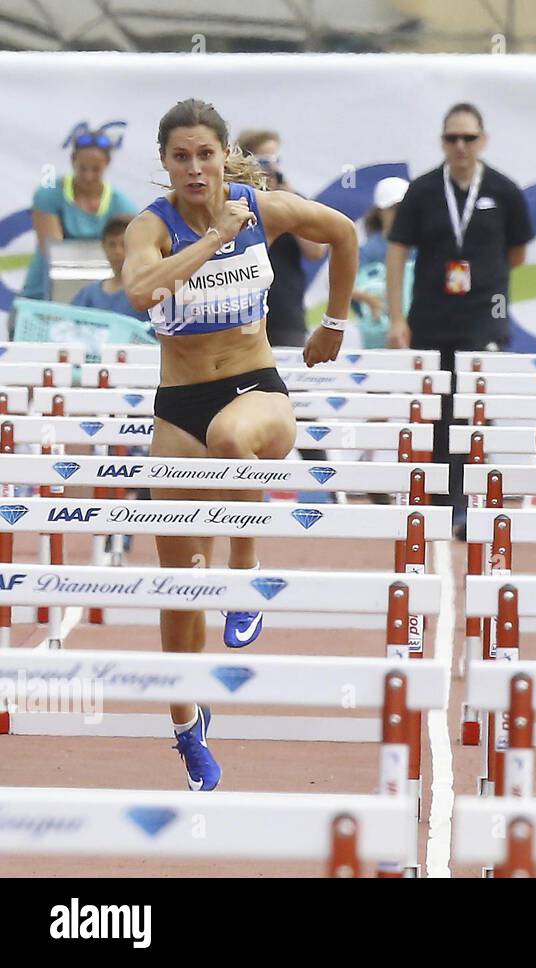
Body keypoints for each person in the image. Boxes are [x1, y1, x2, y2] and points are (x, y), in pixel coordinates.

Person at [122, 98, 358, 791]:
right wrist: (209, 239)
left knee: (232, 437)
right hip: (179, 406)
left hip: (259, 395)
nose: (195, 168)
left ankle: (248, 575)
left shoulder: (265, 207)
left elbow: (344, 233)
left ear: (225, 154)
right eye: (180, 157)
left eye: (205, 154)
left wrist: (334, 322)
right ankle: (185, 726)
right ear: (165, 164)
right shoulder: (152, 226)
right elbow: (139, 292)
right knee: (178, 588)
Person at [385, 103, 534, 537]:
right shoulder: (424, 190)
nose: (461, 147)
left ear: (482, 141)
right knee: (440, 413)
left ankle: (471, 506)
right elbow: (397, 251)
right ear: (442, 142)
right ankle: (441, 503)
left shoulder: (504, 190)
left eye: (469, 138)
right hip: (431, 316)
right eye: (452, 138)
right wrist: (397, 316)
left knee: (476, 413)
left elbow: (518, 253)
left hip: (484, 316)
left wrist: (487, 280)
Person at [234, 130, 329, 349]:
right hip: (240, 312)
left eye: (276, 160)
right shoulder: (234, 201)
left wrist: (289, 198)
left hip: (285, 312)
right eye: (264, 161)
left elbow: (316, 251)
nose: (272, 168)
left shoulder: (292, 201)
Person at [22, 128, 137, 300]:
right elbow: (53, 253)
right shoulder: (48, 194)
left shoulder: (123, 206)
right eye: (82, 168)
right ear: (72, 160)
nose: (88, 176)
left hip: (98, 301)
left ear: (108, 163)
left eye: (96, 169)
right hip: (42, 294)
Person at [351, 176, 412, 348]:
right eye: (393, 208)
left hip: (417, 331)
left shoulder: (421, 247)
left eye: (404, 208)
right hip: (378, 333)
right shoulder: (368, 250)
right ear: (380, 211)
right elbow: (342, 286)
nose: (400, 214)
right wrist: (369, 299)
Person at [69, 215, 149, 321]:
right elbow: (69, 326)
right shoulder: (89, 294)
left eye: (124, 244)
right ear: (103, 247)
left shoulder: (147, 293)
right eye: (112, 244)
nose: (117, 251)